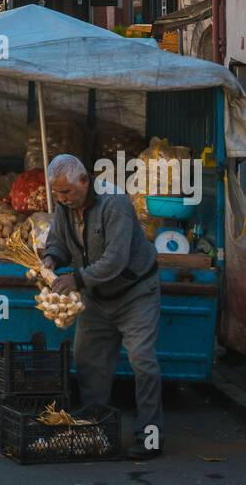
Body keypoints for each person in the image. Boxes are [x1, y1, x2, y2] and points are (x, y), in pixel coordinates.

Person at [42, 153, 163, 461]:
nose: (61, 198)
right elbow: (58, 242)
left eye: (66, 192)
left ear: (85, 181)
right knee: (88, 361)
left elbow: (115, 260)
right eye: (57, 192)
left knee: (143, 362)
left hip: (135, 293)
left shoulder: (116, 204)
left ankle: (149, 437)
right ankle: (93, 429)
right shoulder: (63, 208)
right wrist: (51, 259)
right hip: (97, 297)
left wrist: (76, 279)